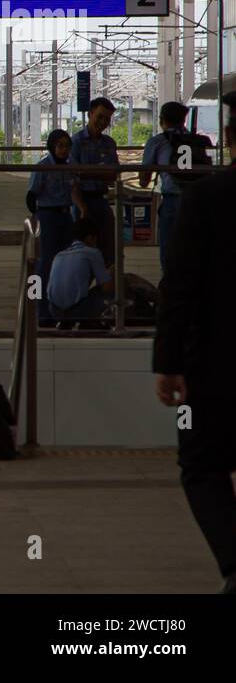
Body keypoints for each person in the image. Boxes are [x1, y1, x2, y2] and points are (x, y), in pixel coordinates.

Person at [153, 90, 236, 593]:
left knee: (201, 465)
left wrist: (168, 360)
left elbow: (178, 286)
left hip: (216, 363)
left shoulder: (206, 199)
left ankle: (234, 562)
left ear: (228, 139)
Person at [25, 129, 86, 320]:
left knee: (64, 262)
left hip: (65, 215)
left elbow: (74, 189)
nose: (64, 150)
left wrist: (82, 209)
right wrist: (37, 218)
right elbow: (31, 195)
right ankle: (40, 310)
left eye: (67, 146)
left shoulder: (70, 166)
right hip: (48, 215)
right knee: (44, 264)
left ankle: (62, 307)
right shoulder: (43, 167)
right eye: (60, 146)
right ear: (52, 146)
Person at [139, 101, 206, 273]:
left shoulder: (157, 142)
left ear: (162, 119)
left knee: (169, 250)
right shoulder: (196, 140)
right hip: (196, 201)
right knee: (193, 249)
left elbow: (144, 180)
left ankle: (170, 288)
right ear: (184, 120)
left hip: (172, 201)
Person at [69, 96, 120, 265]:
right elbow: (74, 174)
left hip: (101, 200)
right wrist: (100, 172)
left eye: (107, 118)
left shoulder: (109, 143)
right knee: (81, 251)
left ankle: (106, 286)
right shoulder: (75, 142)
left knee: (108, 248)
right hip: (81, 202)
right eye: (100, 116)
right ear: (90, 114)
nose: (103, 122)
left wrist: (87, 171)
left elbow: (113, 174)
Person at [46, 215, 116, 325]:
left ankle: (66, 322)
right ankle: (90, 322)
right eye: (95, 239)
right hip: (77, 311)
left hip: (54, 310)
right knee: (116, 291)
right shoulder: (92, 253)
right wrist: (112, 272)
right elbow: (107, 288)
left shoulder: (59, 255)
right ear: (90, 238)